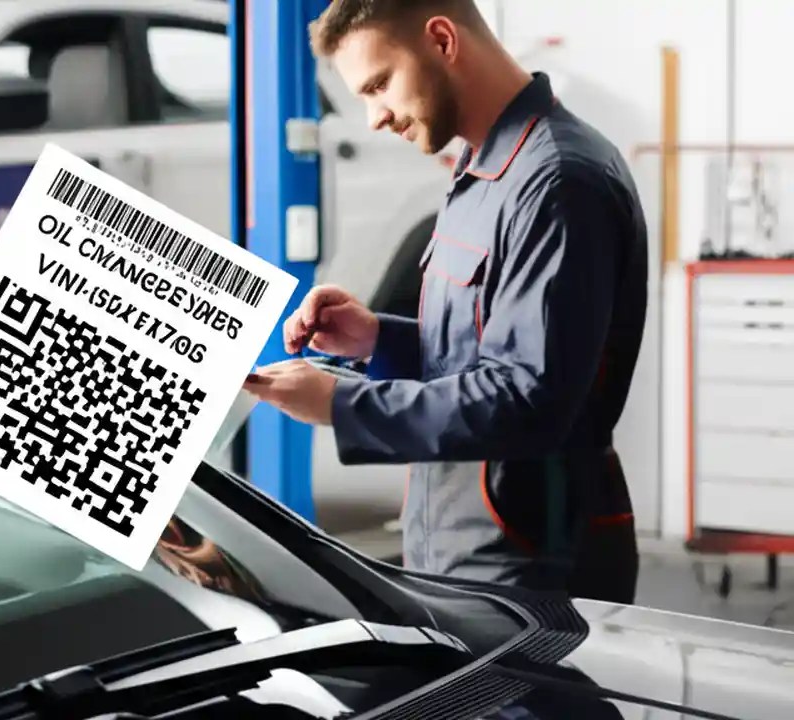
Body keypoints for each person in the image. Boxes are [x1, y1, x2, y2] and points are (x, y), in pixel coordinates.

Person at [242, 0, 647, 603]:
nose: (375, 117)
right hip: (462, 550)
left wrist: (340, 403)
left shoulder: (559, 181)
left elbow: (527, 398)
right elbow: (484, 350)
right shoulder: (484, 167)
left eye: (379, 85)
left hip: (532, 564)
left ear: (441, 40)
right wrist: (377, 338)